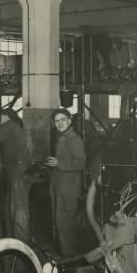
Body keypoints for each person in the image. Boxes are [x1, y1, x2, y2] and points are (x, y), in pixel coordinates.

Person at [0, 109, 31, 241]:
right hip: (13, 171)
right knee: (10, 206)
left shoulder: (11, 124)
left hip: (18, 171)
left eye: (0, 118)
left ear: (5, 116)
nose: (0, 122)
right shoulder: (10, 130)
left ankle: (21, 241)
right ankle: (12, 238)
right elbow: (2, 161)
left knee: (18, 207)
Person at [48, 108, 86, 257]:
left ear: (70, 121)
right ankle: (67, 256)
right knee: (60, 223)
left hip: (68, 189)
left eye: (63, 120)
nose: (60, 123)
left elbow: (81, 163)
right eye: (57, 121)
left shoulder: (74, 139)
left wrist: (59, 163)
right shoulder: (62, 138)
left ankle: (70, 259)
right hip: (59, 186)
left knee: (66, 225)